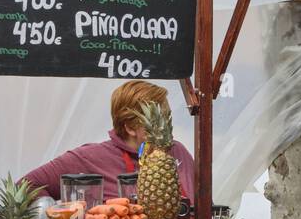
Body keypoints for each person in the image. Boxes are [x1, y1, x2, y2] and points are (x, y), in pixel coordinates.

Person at [21, 80, 196, 205]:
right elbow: (27, 185)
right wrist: (56, 213)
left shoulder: (177, 151)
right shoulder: (91, 157)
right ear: (130, 128)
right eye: (157, 120)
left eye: (167, 118)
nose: (166, 127)